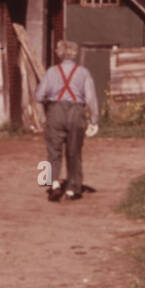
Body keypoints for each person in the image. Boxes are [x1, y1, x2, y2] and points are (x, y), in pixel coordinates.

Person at [35, 40, 99, 201]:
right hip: (76, 112)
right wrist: (94, 119)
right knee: (74, 152)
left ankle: (54, 183)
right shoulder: (83, 73)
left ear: (59, 53)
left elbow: (38, 96)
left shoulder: (51, 72)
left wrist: (44, 115)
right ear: (74, 53)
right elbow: (91, 99)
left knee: (53, 152)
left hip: (55, 111)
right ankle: (73, 188)